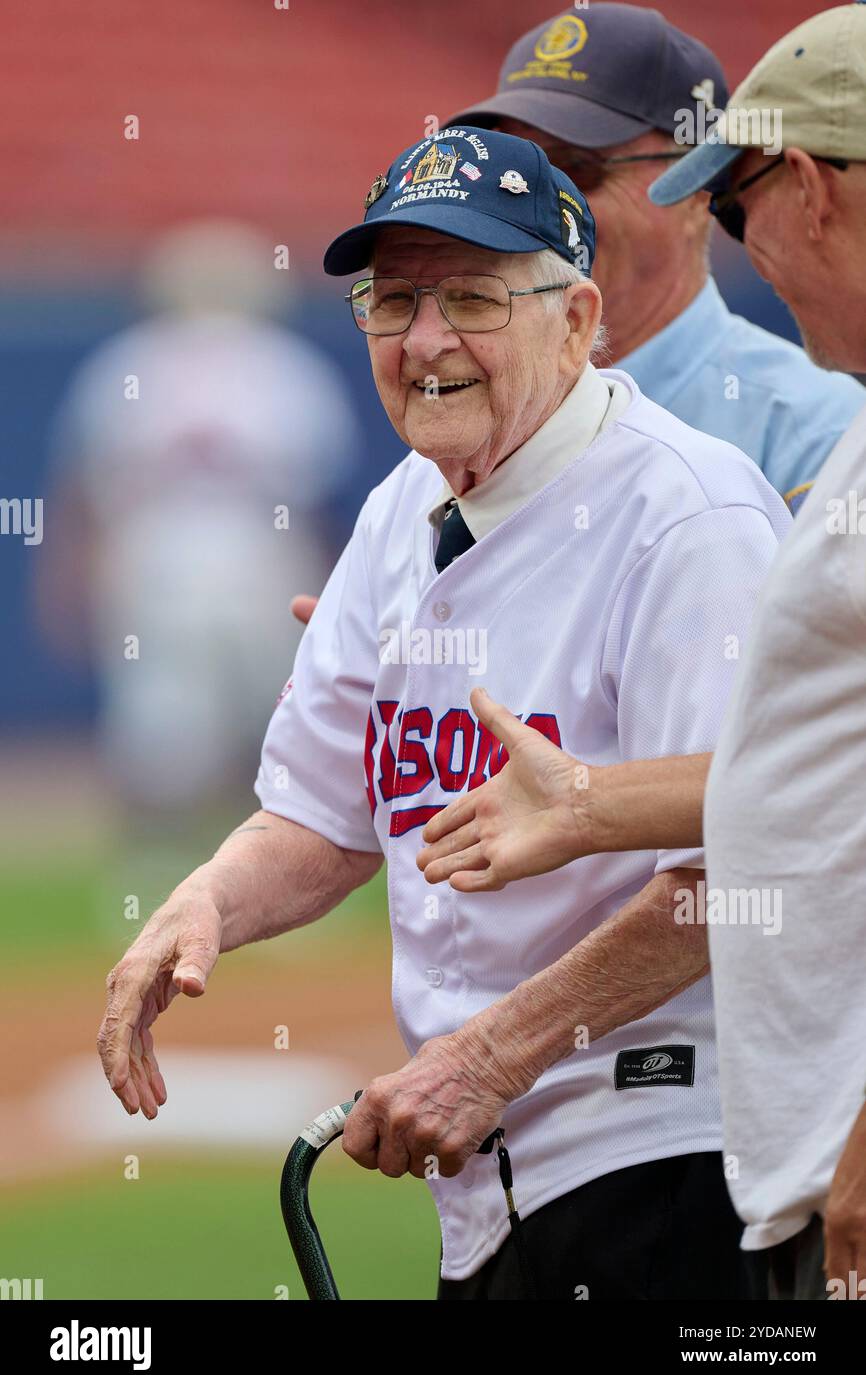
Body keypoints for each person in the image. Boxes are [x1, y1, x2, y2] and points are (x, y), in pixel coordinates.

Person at [98, 127, 791, 1300]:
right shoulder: (398, 511)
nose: (424, 340)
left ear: (574, 321)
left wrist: (489, 1056)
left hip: (673, 1158)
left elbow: (747, 870)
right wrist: (203, 899)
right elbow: (321, 815)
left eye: (470, 296)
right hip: (487, 1175)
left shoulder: (687, 518)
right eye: (395, 299)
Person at [423, 2, 866, 1302]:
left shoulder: (795, 420)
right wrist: (587, 798)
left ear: (806, 186)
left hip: (703, 1107)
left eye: (734, 205)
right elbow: (807, 762)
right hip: (769, 1143)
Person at [289, 3, 865, 629]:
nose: (538, 208)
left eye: (575, 169)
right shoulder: (454, 427)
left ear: (698, 183)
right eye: (516, 178)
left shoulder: (815, 432)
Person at [38, 220, 358, 814]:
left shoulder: (282, 369)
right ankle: (164, 864)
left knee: (270, 714)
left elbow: (315, 506)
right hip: (164, 563)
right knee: (163, 726)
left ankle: (250, 856)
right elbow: (84, 495)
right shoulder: (133, 367)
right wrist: (70, 579)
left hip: (249, 562)